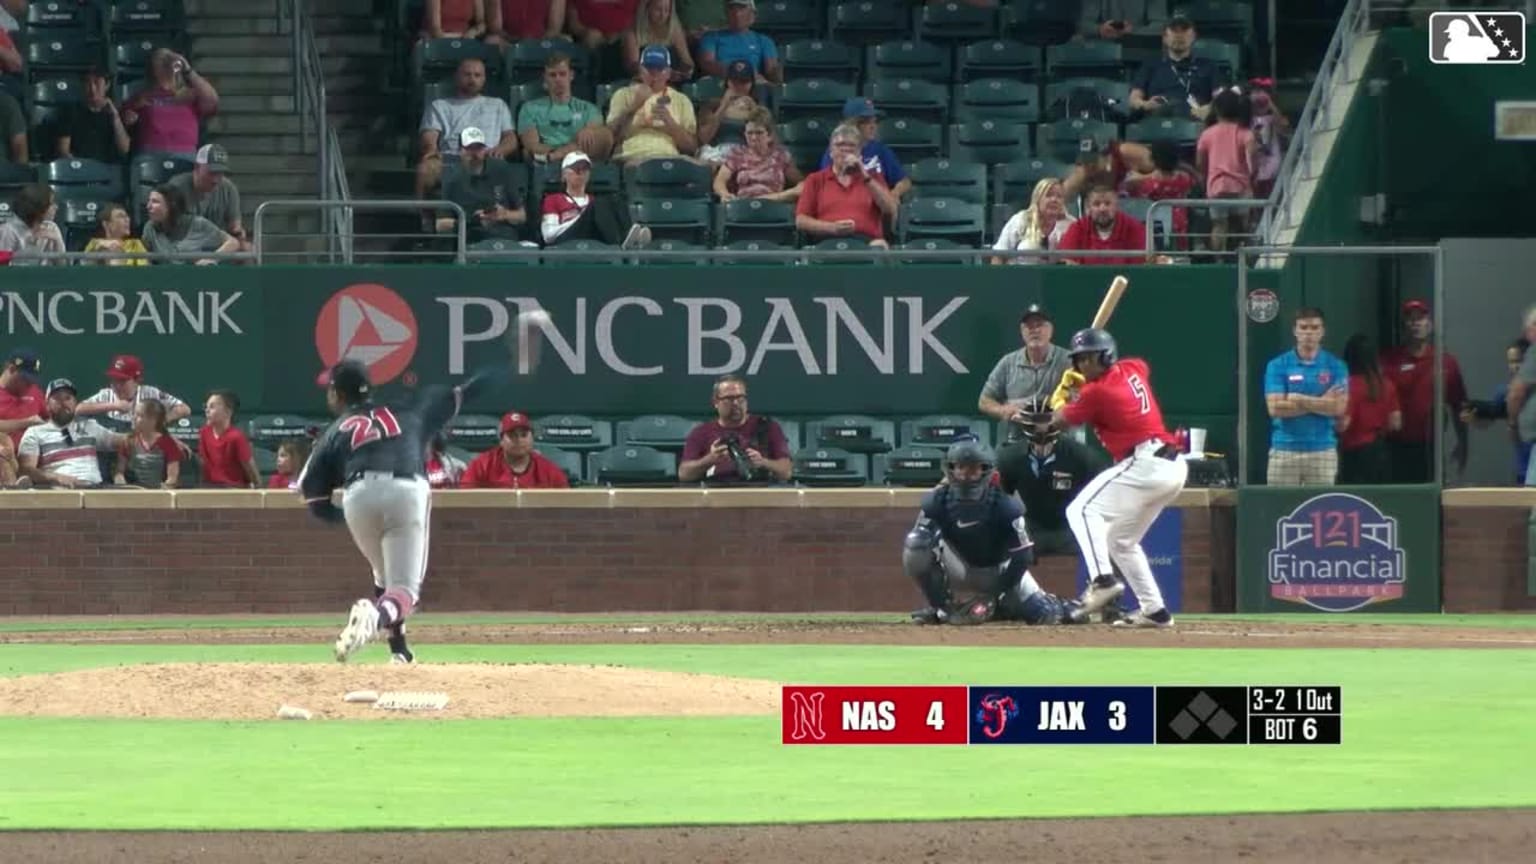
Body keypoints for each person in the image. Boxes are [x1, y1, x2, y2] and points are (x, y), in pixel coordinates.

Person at [302, 359, 507, 664]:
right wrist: (510, 363)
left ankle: (400, 652)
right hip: (405, 488)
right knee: (406, 593)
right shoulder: (411, 408)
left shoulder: (334, 432)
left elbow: (313, 497)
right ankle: (374, 618)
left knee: (384, 576)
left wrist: (342, 516)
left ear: (336, 394)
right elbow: (473, 388)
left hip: (357, 496)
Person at [1049, 327, 1188, 629]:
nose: (1082, 365)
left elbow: (1057, 422)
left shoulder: (1097, 392)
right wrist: (1083, 381)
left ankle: (1102, 581)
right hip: (1171, 466)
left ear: (1107, 355)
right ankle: (1155, 610)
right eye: (1078, 360)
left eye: (1089, 358)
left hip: (1145, 463)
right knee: (1122, 541)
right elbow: (1140, 367)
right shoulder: (1132, 367)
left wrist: (1061, 397)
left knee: (1081, 510)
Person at [904, 437, 1089, 626]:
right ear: (951, 469)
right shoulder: (935, 501)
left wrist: (993, 595)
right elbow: (919, 548)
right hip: (958, 566)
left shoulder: (1006, 506)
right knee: (916, 543)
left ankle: (1063, 606)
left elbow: (1023, 556)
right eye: (961, 468)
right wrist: (939, 601)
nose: (966, 475)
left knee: (1045, 614)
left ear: (985, 470)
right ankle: (941, 608)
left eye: (973, 468)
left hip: (998, 569)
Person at [995, 396, 1106, 556]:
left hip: (1070, 530)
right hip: (1030, 531)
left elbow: (1103, 494)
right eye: (1034, 420)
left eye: (1045, 419)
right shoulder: (1009, 457)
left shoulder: (1082, 457)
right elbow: (998, 497)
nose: (1040, 426)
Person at [1381, 299, 1468, 483]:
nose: (1416, 324)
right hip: (1396, 445)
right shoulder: (1390, 361)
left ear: (1430, 324)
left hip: (1431, 445)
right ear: (1404, 325)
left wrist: (1463, 442)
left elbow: (1458, 405)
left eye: (1420, 318)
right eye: (1411, 319)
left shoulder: (1445, 362)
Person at [1263, 307, 1348, 485]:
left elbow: (1338, 407)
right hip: (1285, 450)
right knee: (1281, 507)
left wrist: (1298, 399)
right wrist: (1322, 402)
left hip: (1322, 451)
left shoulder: (1336, 366)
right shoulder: (1277, 365)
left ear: (1322, 331)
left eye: (1315, 327)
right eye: (1303, 327)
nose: (1309, 333)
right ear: (1295, 331)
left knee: (1320, 508)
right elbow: (1275, 408)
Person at [678, 374, 791, 484]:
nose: (736, 403)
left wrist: (763, 462)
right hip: (718, 493)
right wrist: (710, 459)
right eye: (729, 399)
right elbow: (684, 475)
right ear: (715, 402)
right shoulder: (701, 432)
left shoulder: (768, 427)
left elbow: (786, 471)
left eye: (740, 398)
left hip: (759, 491)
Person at [1463, 336, 1531, 485]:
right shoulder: (1504, 393)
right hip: (1523, 469)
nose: (1516, 366)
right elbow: (1488, 420)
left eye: (1520, 361)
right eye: (1512, 362)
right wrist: (1474, 418)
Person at [1337, 333, 1400, 485]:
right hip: (1380, 452)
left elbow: (1343, 424)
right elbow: (1396, 423)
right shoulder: (1387, 385)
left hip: (1355, 455)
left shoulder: (1348, 385)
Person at [991, 178, 1071, 265]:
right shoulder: (1021, 219)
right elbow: (998, 256)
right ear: (1038, 199)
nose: (1054, 200)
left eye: (1059, 196)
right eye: (1049, 195)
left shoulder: (1071, 225)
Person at [113, 398, 182, 488]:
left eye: (139, 415)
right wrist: (120, 481)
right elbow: (119, 471)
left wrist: (162, 491)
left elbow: (172, 478)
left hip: (160, 494)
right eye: (134, 414)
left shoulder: (168, 443)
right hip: (133, 493)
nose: (133, 418)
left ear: (153, 420)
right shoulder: (129, 441)